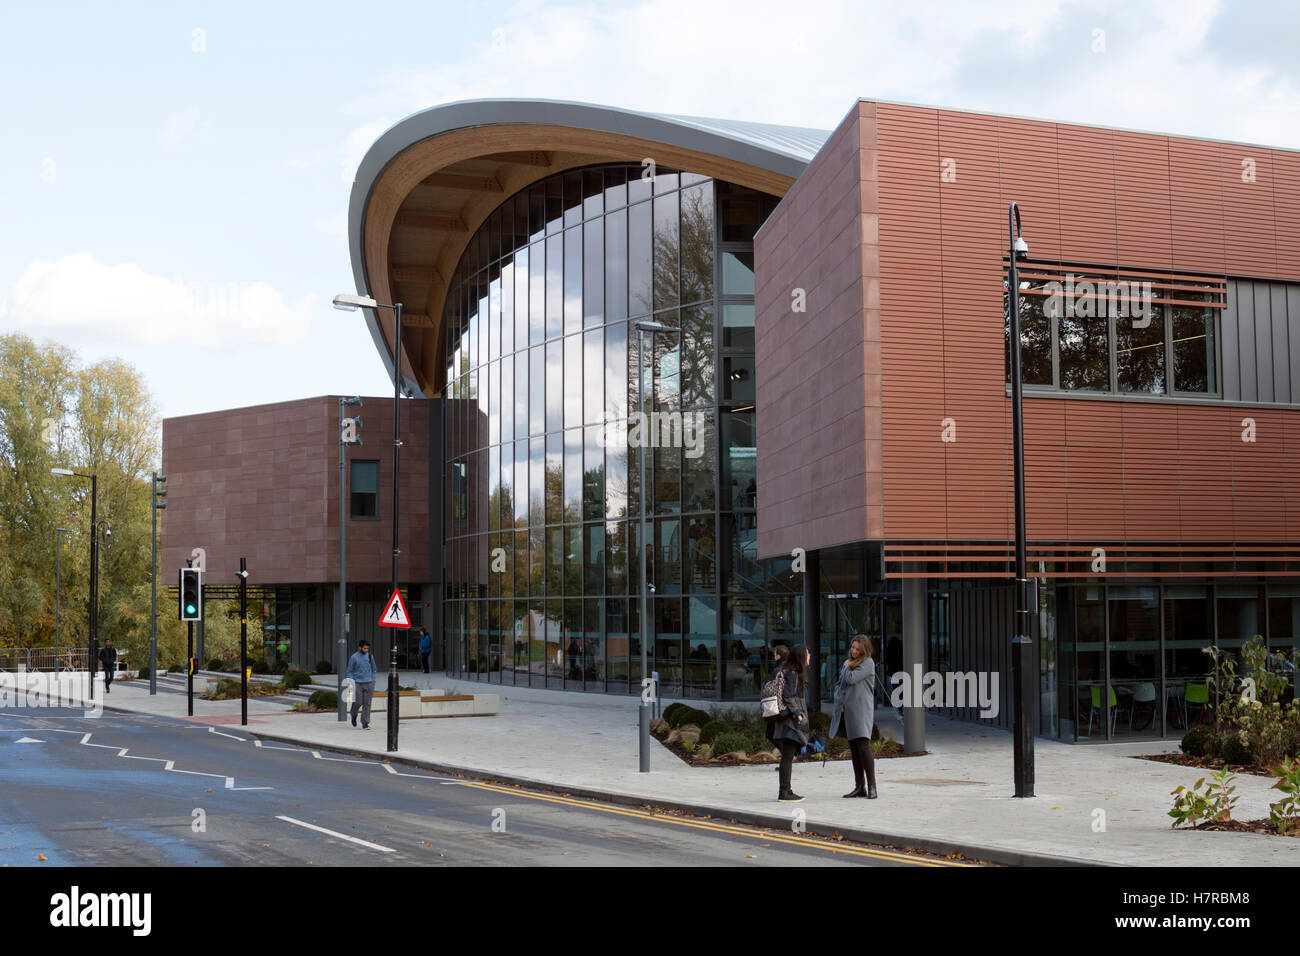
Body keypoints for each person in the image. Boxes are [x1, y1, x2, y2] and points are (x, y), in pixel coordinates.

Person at [831, 635, 878, 799]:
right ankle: (860, 786)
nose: (854, 651)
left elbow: (850, 679)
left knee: (864, 748)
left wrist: (846, 666)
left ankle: (872, 786)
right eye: (852, 647)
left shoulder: (867, 663)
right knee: (854, 750)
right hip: (848, 711)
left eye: (857, 649)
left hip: (861, 711)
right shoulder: (850, 663)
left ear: (864, 650)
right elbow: (840, 683)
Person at [770, 643, 811, 802]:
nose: (809, 656)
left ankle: (786, 790)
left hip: (787, 720)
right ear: (801, 657)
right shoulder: (792, 673)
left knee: (787, 755)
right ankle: (784, 792)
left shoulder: (789, 672)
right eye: (807, 654)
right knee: (787, 756)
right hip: (790, 721)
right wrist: (798, 714)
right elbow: (789, 696)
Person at [346, 639, 378, 729]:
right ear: (359, 647)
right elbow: (349, 671)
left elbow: (374, 669)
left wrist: (373, 680)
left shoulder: (370, 656)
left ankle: (365, 723)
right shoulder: (354, 657)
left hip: (369, 683)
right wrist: (351, 683)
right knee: (358, 703)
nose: (366, 650)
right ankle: (353, 714)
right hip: (357, 683)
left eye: (367, 648)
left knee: (367, 704)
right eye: (364, 648)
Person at [764, 641, 791, 746]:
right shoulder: (788, 668)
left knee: (770, 733)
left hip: (775, 705)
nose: (773, 655)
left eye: (775, 653)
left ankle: (786, 754)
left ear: (779, 656)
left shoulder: (777, 670)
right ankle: (787, 754)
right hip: (784, 705)